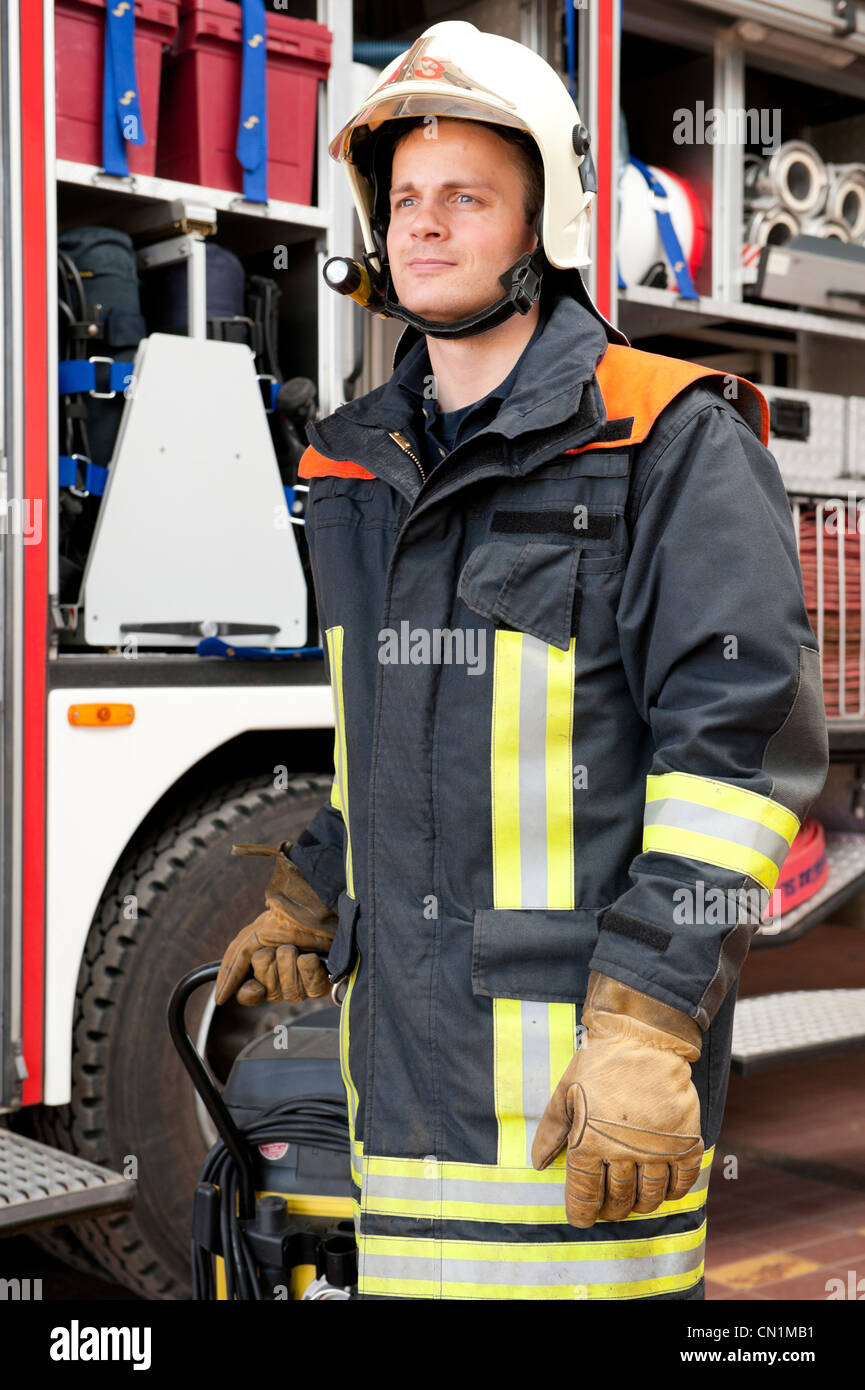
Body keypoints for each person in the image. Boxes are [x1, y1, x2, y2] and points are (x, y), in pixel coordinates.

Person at [215, 20, 829, 1300]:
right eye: (405, 199)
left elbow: (734, 766)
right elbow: (391, 739)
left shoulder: (668, 437)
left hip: (584, 1096)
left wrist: (646, 1019)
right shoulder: (350, 463)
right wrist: (315, 886)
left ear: (542, 220)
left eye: (467, 197)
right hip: (402, 1102)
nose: (424, 226)